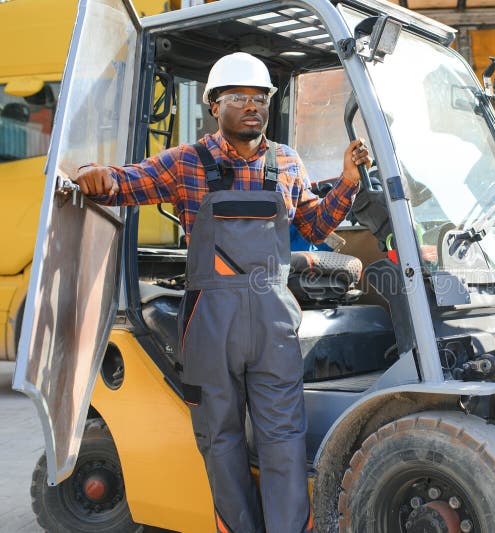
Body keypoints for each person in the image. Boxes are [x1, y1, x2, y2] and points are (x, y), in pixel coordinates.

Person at [75, 52, 370, 533]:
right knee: (221, 440)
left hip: (274, 322)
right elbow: (124, 185)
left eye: (260, 98)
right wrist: (95, 174)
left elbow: (315, 226)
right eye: (238, 97)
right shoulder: (187, 163)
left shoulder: (287, 162)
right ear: (214, 105)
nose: (251, 106)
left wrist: (348, 184)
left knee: (284, 439)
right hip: (211, 324)